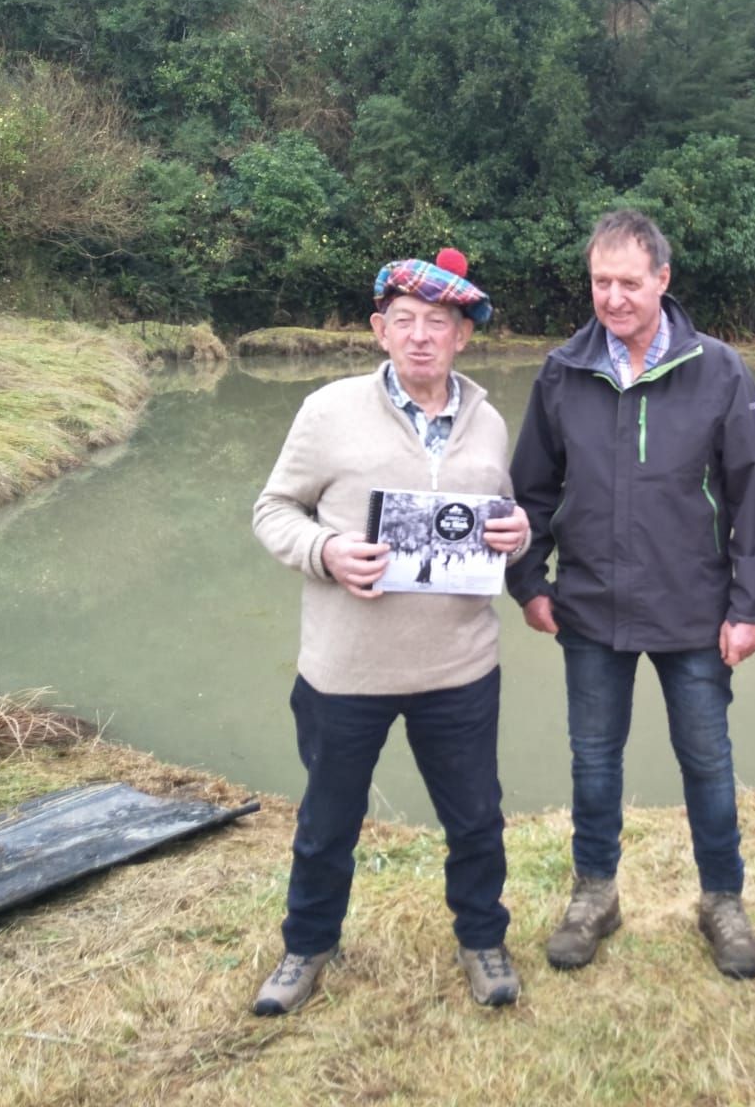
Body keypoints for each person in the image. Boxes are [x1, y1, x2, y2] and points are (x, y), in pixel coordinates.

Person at [250, 253, 531, 1014]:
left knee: (477, 821)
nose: (420, 336)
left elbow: (503, 522)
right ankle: (307, 947)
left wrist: (520, 535)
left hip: (461, 668)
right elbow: (273, 510)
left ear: (462, 335)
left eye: (437, 322)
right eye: (403, 321)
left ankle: (483, 939)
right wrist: (326, 551)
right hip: (346, 671)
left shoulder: (488, 421)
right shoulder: (327, 411)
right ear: (380, 330)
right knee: (326, 824)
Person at [506, 209, 755, 979]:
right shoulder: (562, 371)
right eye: (601, 282)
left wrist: (751, 606)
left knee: (708, 762)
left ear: (663, 279)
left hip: (696, 610)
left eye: (629, 282)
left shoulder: (719, 369)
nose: (614, 298)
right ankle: (595, 893)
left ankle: (722, 898)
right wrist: (528, 582)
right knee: (594, 761)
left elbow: (753, 496)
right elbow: (531, 489)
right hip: (590, 606)